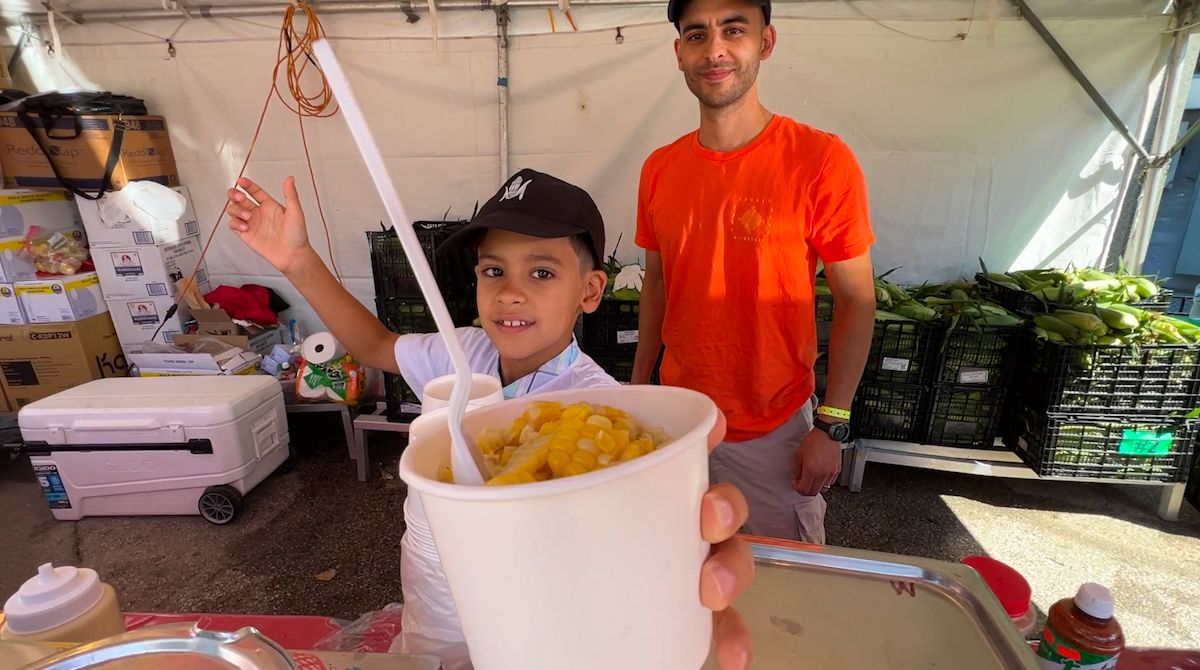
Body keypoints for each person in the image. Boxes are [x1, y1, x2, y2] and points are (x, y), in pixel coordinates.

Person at [226, 169, 757, 669]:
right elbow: (375, 345)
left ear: (590, 292)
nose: (510, 292)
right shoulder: (465, 353)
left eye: (542, 271)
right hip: (432, 624)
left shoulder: (602, 411)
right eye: (493, 270)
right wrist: (298, 261)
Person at [631, 0, 877, 545]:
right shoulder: (659, 169)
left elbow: (857, 300)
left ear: (765, 42)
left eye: (733, 30)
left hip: (771, 432)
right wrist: (638, 390)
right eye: (696, 35)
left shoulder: (820, 160)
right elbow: (658, 283)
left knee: (783, 596)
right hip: (678, 422)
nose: (714, 48)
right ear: (679, 53)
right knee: (683, 575)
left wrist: (832, 425)